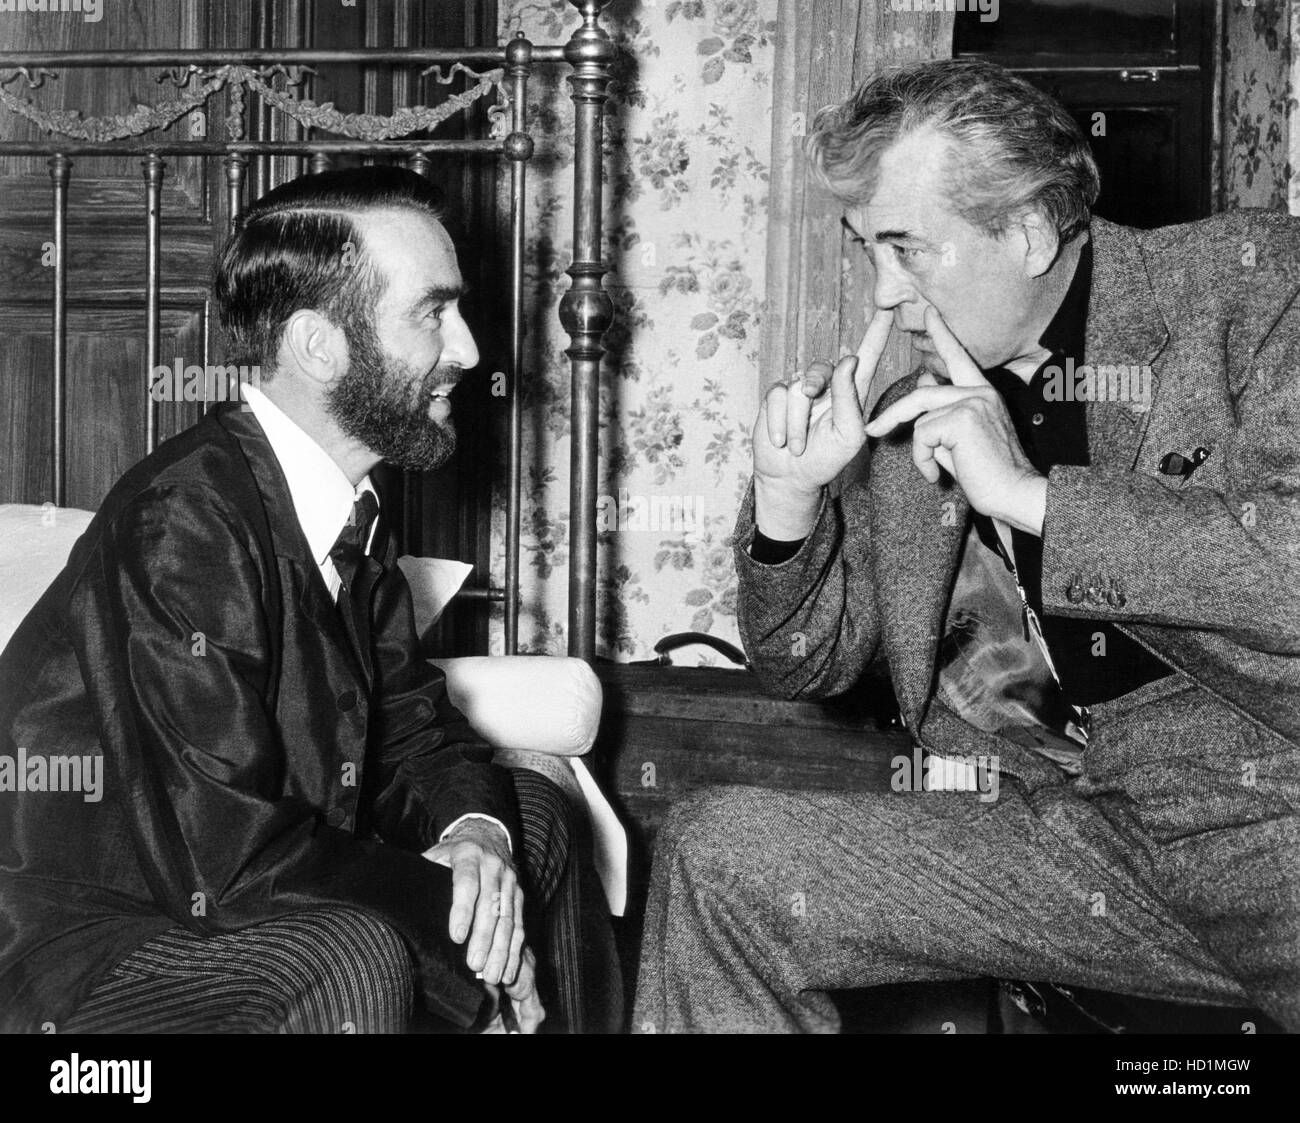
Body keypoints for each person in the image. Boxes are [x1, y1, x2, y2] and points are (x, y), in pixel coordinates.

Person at [634, 58, 1300, 1033]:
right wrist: (786, 502)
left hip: (1272, 799)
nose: (883, 295)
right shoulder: (913, 417)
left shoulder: (1252, 287)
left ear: (1028, 230)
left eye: (907, 249)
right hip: (1074, 826)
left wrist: (1029, 497)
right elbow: (803, 663)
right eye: (866, 249)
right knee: (721, 857)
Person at [0, 166, 619, 1034]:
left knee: (534, 818)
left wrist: (478, 835)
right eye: (432, 313)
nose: (471, 350)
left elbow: (415, 733)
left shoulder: (345, 510)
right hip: (89, 943)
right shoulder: (183, 524)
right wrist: (477, 950)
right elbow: (225, 858)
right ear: (319, 345)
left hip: (219, 898)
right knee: (352, 948)